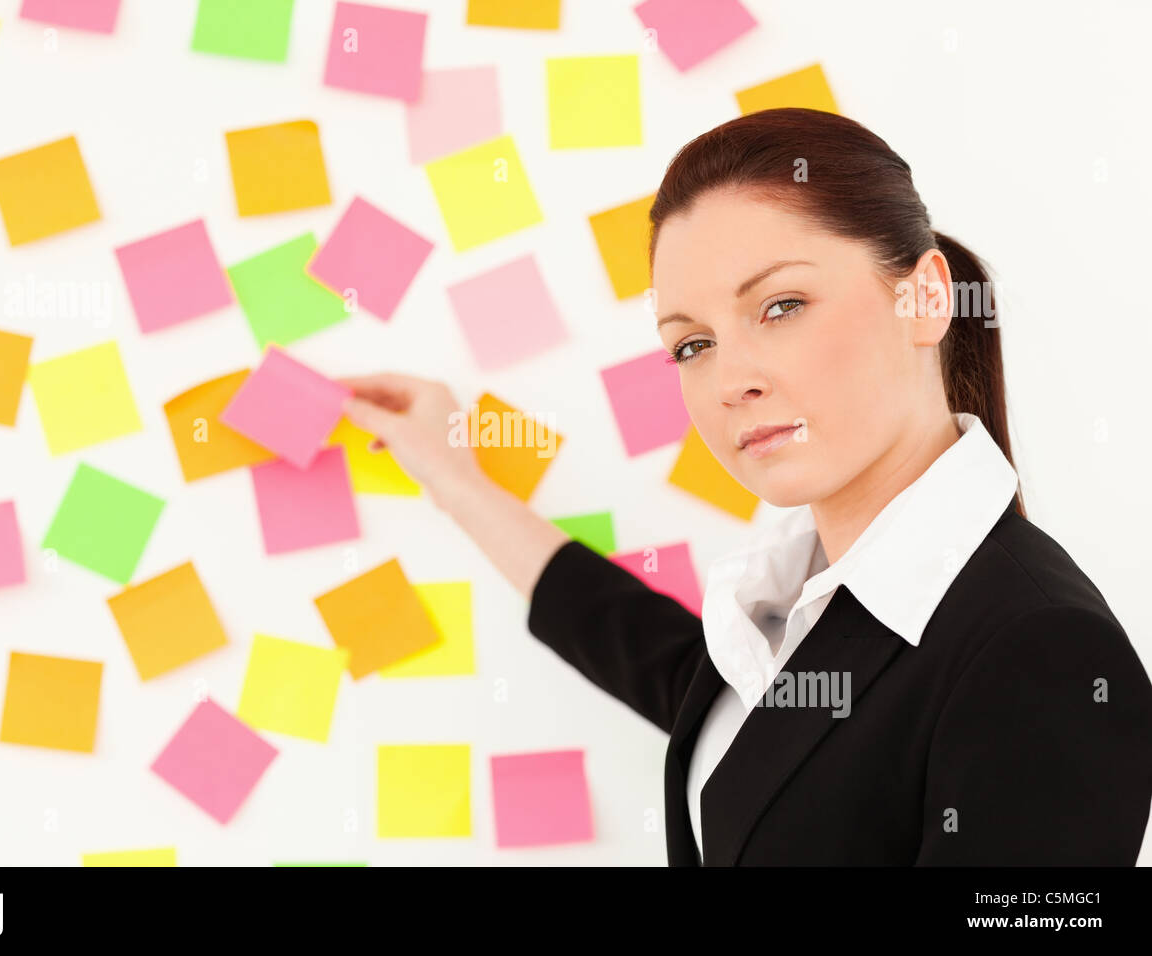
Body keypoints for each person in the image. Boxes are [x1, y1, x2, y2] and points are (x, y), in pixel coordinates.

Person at [336, 108, 1152, 866]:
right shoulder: (802, 605)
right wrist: (448, 474)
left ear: (926, 297)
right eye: (691, 345)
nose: (731, 380)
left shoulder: (1039, 654)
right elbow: (676, 674)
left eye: (781, 305)